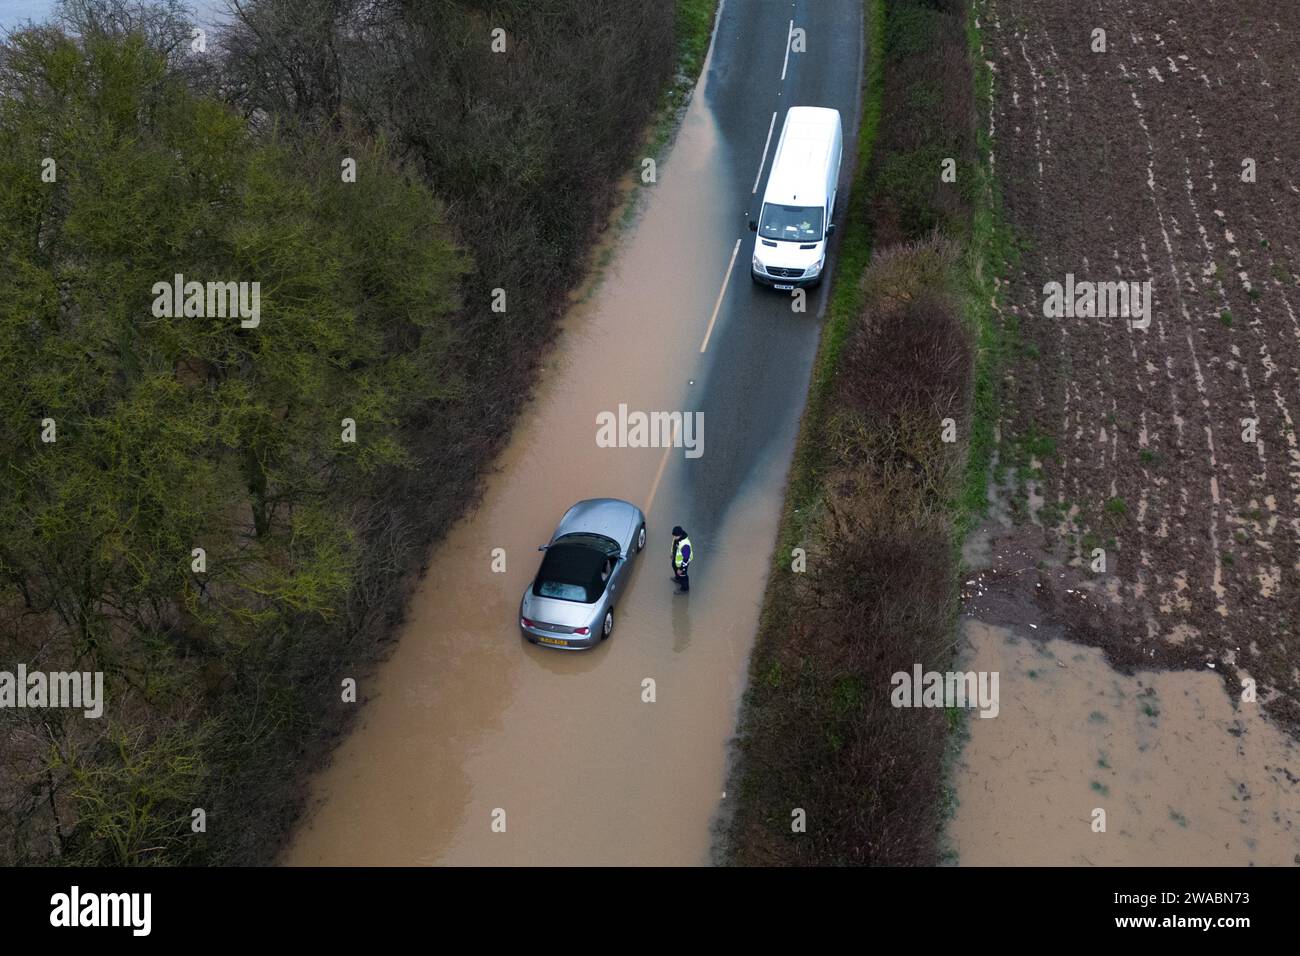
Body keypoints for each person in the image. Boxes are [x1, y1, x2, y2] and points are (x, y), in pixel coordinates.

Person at [670, 526, 692, 594]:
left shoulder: (685, 545)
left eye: (675, 536)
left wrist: (681, 568)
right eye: (673, 536)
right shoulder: (676, 538)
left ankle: (685, 589)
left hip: (683, 562)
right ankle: (678, 579)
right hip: (677, 559)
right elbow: (674, 546)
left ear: (680, 535)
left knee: (683, 575)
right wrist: (672, 554)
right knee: (673, 565)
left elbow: (686, 559)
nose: (674, 537)